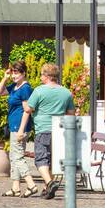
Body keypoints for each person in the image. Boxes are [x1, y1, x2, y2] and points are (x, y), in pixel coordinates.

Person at [19, 62, 75, 200]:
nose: (40, 78)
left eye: (41, 75)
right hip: (60, 130)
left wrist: (21, 130)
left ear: (47, 76)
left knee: (41, 160)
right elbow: (71, 114)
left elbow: (27, 110)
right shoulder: (66, 92)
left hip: (43, 129)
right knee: (53, 160)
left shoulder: (39, 91)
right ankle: (47, 188)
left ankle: (50, 182)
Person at [0, 61, 37, 197]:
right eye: (12, 72)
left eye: (16, 73)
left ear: (23, 73)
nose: (14, 75)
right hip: (14, 126)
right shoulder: (14, 86)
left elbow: (27, 110)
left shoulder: (25, 89)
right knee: (13, 157)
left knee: (18, 157)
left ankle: (31, 184)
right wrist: (5, 78)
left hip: (20, 127)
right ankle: (15, 187)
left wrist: (21, 130)